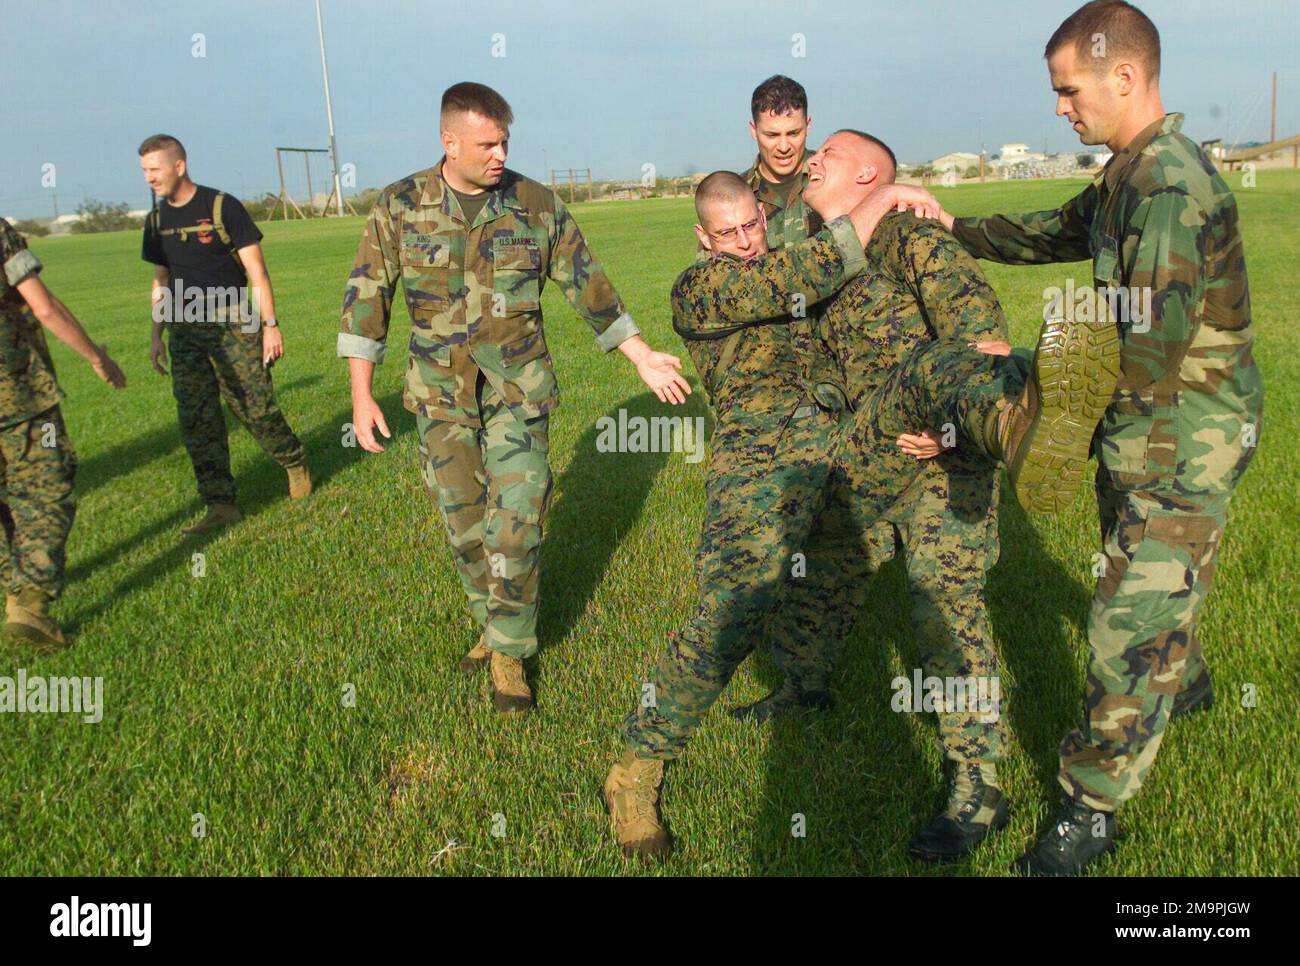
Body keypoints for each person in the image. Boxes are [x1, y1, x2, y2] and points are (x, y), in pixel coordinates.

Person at [603, 173, 1120, 860]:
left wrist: (953, 429)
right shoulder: (702, 290)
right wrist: (883, 195)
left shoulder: (803, 268)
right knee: (733, 614)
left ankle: (1025, 416)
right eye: (724, 234)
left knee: (930, 372)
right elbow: (809, 267)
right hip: (762, 467)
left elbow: (876, 313)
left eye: (750, 226)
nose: (742, 242)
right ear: (703, 237)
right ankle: (636, 771)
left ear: (764, 216)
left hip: (845, 451)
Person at [893, 0, 1263, 875]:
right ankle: (1184, 665)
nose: (1060, 108)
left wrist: (1025, 385)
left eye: (1068, 91)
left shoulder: (1167, 186)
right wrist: (954, 229)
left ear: (1124, 76)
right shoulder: (1125, 175)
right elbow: (1058, 231)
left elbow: (1150, 354)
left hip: (1183, 441)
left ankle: (1090, 810)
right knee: (1131, 562)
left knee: (1121, 632)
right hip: (1144, 436)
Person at [339, 82, 691, 717]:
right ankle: (491, 616)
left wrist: (639, 355)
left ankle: (509, 652)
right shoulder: (398, 206)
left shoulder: (535, 204)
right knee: (466, 528)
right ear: (449, 143)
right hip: (440, 395)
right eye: (486, 143)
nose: (500, 153)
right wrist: (361, 396)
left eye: (505, 141)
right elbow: (367, 303)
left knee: (519, 520)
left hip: (517, 391)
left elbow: (588, 284)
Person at [744, 129, 1013, 862]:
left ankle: (979, 781)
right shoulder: (806, 235)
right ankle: (802, 684)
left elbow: (985, 349)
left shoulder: (913, 240)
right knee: (824, 565)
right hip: (859, 448)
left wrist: (955, 435)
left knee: (943, 607)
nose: (815, 156)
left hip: (934, 458)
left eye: (830, 149)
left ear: (868, 172)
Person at [139, 134, 311, 536]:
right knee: (197, 418)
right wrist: (155, 336)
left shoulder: (221, 207)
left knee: (254, 406)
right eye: (144, 170)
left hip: (234, 320)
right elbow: (161, 281)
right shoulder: (156, 221)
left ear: (179, 166)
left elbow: (257, 273)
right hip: (184, 326)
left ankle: (293, 460)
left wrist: (270, 325)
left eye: (154, 169)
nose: (149, 178)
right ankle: (221, 504)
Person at [2, 217, 126, 647]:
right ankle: (30, 601)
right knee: (49, 488)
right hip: (17, 396)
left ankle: (12, 585)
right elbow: (43, 306)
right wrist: (96, 357)